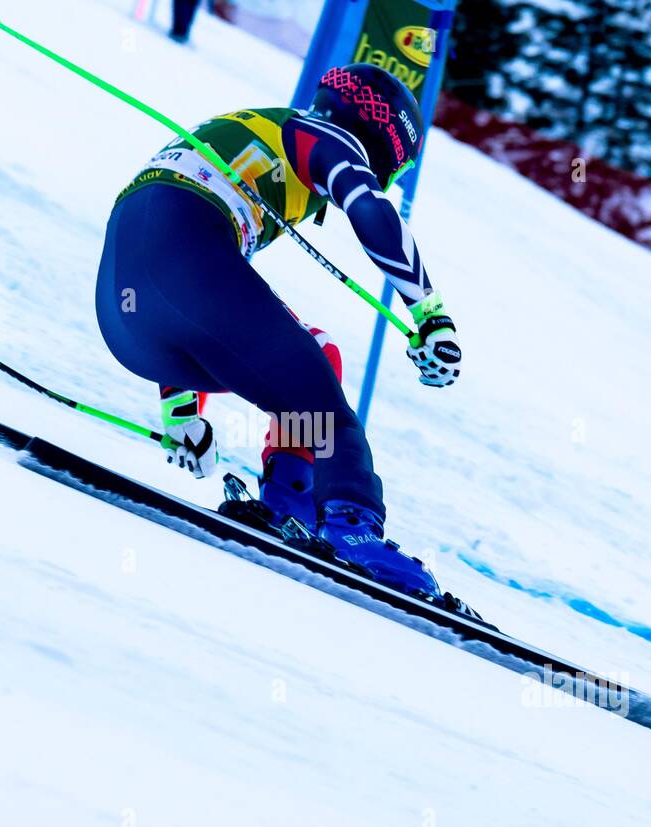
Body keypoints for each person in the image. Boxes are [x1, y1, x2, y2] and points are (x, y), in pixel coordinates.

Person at [94, 64, 461, 596]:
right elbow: (369, 207)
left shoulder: (258, 133)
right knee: (324, 413)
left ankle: (287, 505)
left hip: (127, 318)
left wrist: (181, 414)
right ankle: (352, 532)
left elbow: (183, 298)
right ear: (380, 142)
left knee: (318, 352)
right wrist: (430, 315)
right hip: (182, 254)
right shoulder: (321, 134)